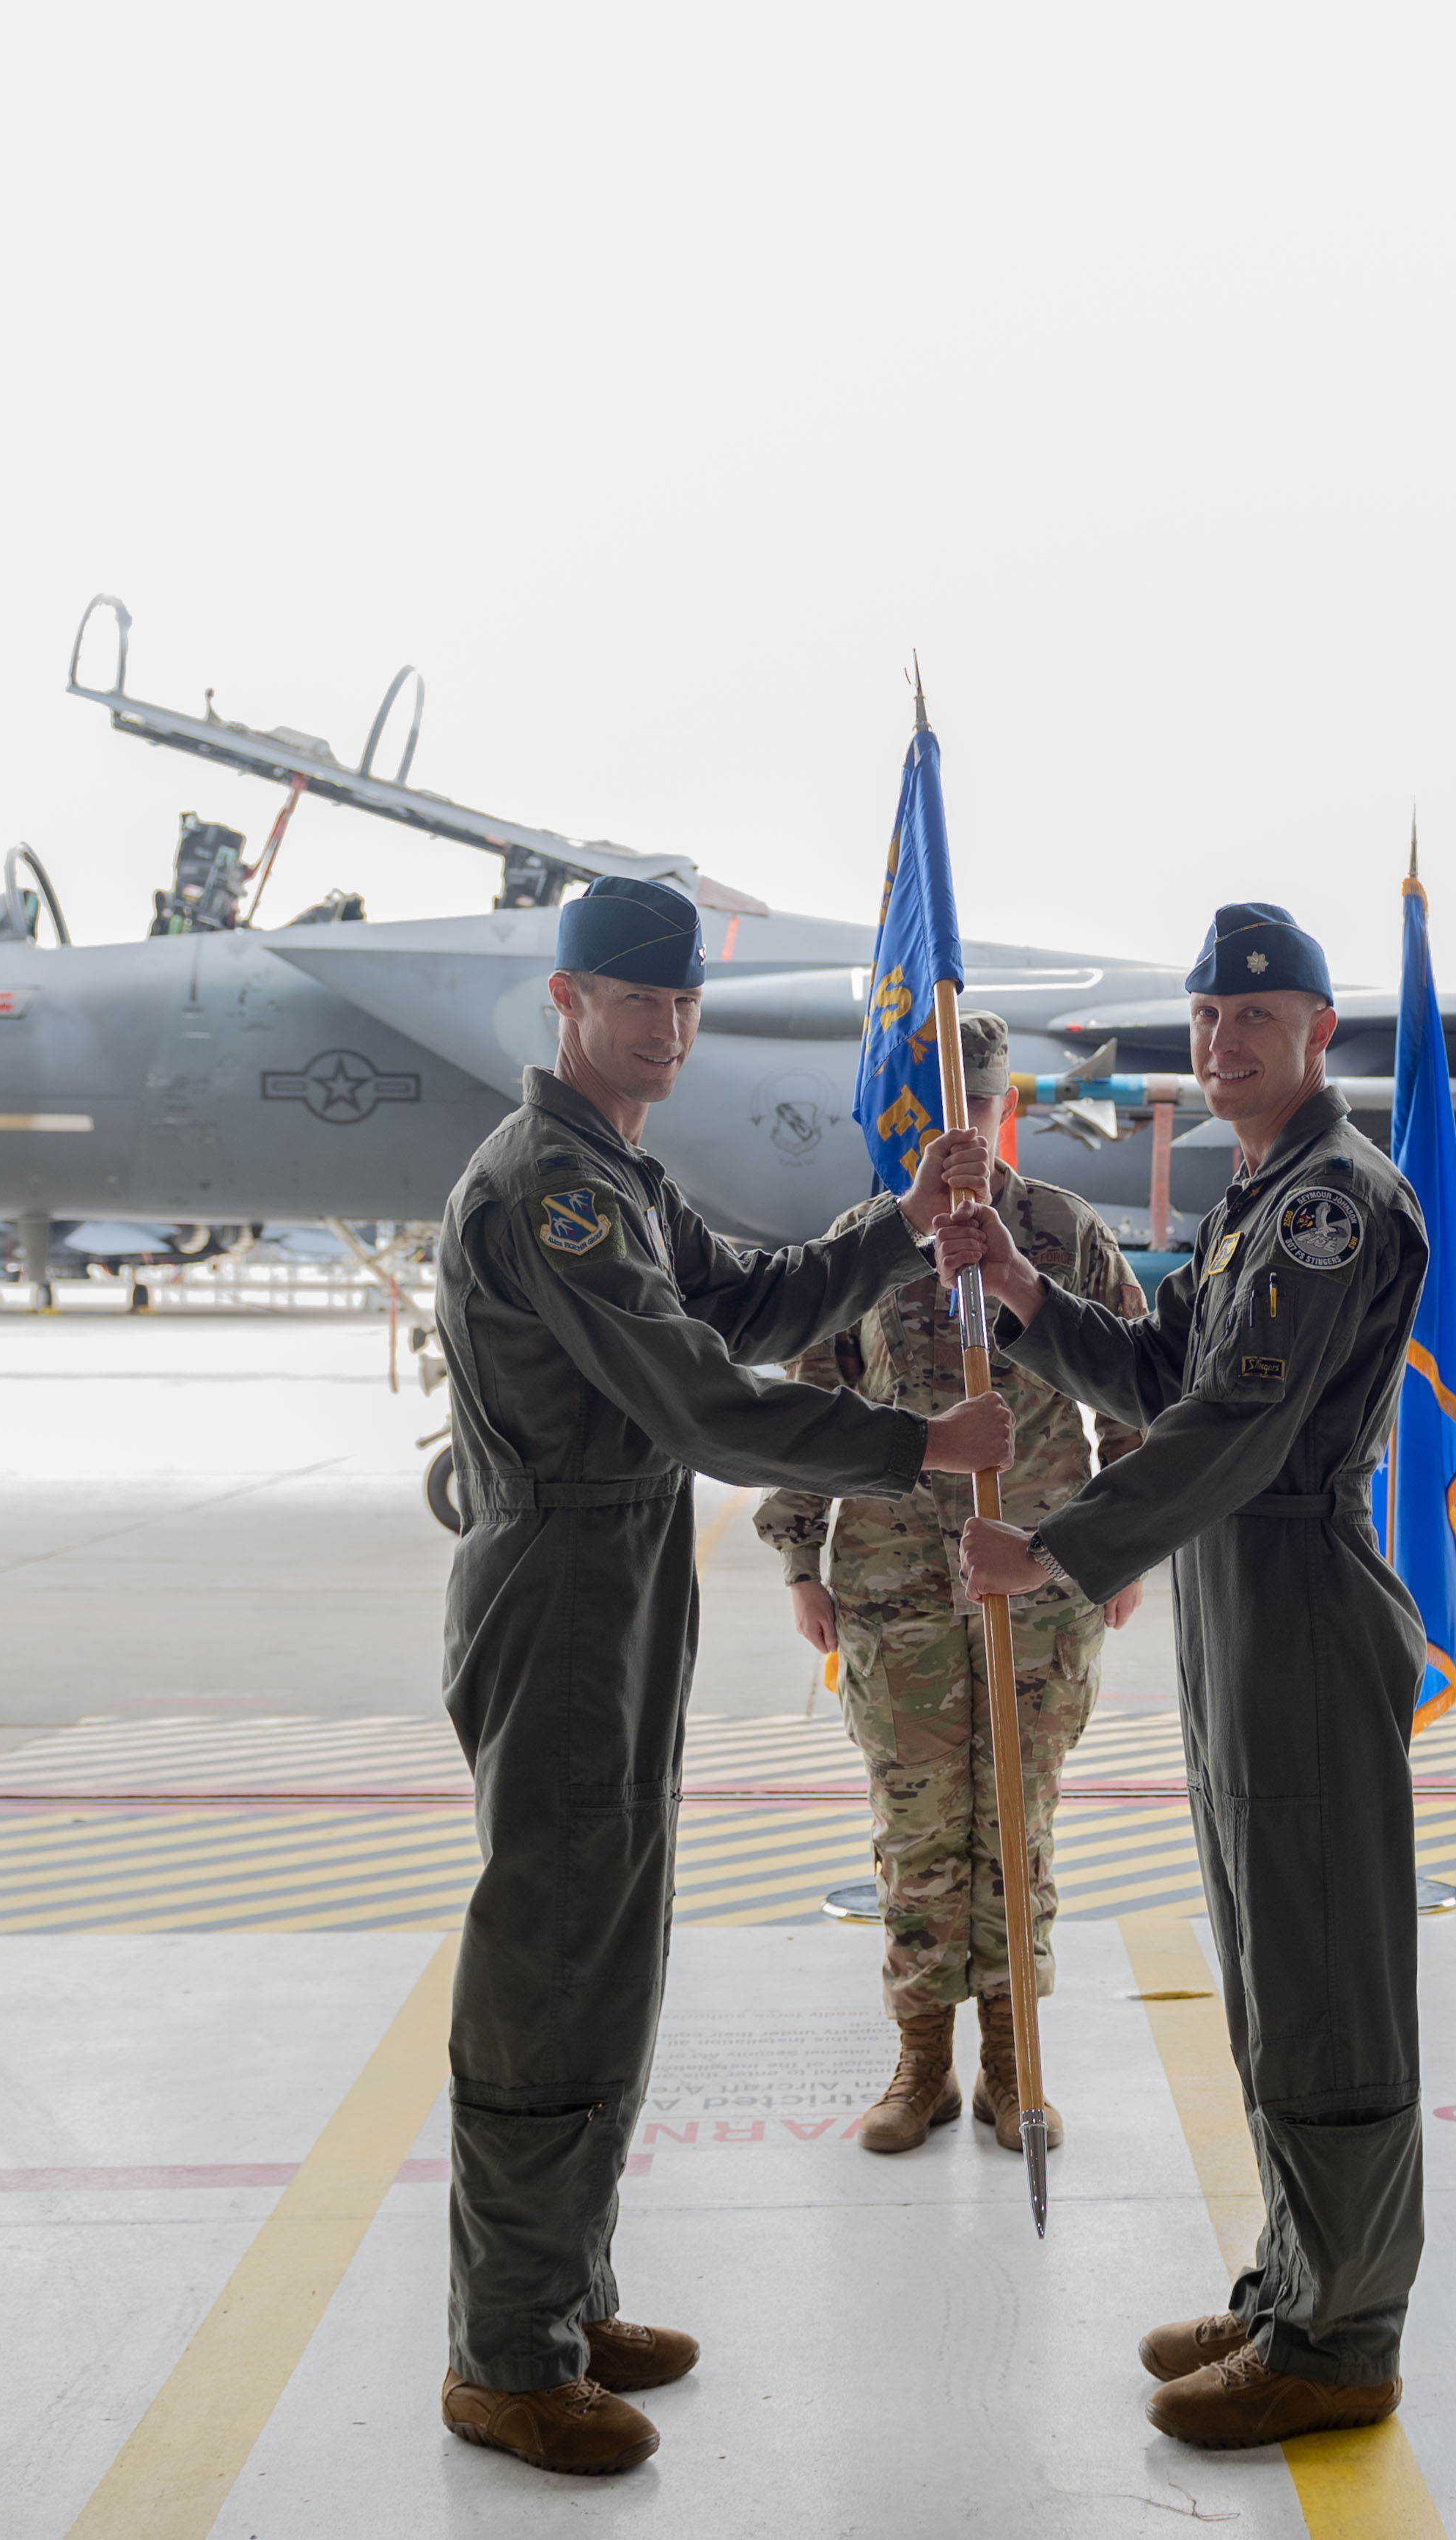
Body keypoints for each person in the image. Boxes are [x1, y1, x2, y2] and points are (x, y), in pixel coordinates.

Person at [427, 873, 1011, 2476]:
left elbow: (746, 1300)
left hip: (615, 1571)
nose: (668, 1025)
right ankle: (504, 2350)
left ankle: (561, 2292)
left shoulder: (617, 1170)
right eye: (638, 999)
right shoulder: (551, 1182)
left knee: (606, 1939)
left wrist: (894, 1229)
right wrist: (914, 1445)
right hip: (558, 1573)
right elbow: (698, 1398)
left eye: (683, 1001)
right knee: (554, 1941)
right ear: (567, 1002)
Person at [951, 903, 1433, 2451]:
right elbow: (1164, 1372)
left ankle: (1341, 2338)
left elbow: (1236, 1425)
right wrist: (1022, 1290)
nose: (1222, 1040)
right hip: (1240, 1586)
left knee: (1325, 1982)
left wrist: (1062, 1543)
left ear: (1319, 1030)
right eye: (1208, 1017)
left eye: (1256, 1016)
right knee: (1268, 1965)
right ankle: (1297, 2278)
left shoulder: (1326, 1206)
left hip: (1289, 1578)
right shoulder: (1257, 1194)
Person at [752, 1007, 1151, 2157]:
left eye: (978, 1105)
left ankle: (1012, 2066)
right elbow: (808, 1409)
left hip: (1036, 1582)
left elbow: (1132, 1391)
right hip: (891, 1587)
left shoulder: (1061, 1233)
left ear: (1006, 1107)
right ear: (904, 1120)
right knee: (918, 1829)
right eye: (935, 1111)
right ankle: (921, 2061)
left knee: (1017, 1823)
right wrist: (799, 1559)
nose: (959, 1130)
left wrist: (1118, 1547)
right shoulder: (865, 1241)